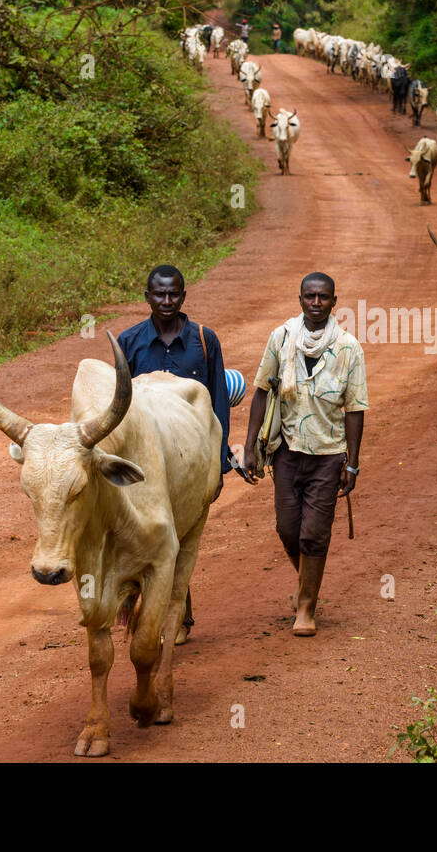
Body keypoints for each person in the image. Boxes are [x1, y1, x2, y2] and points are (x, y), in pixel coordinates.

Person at [243, 273, 367, 636]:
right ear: (300, 299)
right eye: (310, 297)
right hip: (285, 452)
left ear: (333, 301)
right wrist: (251, 445)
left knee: (314, 533)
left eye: (323, 297)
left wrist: (353, 463)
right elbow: (262, 391)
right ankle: (306, 585)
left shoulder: (348, 348)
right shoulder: (281, 338)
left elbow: (356, 409)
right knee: (288, 528)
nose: (316, 303)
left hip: (328, 454)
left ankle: (306, 608)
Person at [117, 264, 231, 645]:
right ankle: (168, 614)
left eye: (174, 294)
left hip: (190, 459)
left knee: (180, 534)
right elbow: (117, 409)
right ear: (146, 296)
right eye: (159, 294)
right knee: (152, 537)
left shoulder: (204, 340)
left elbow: (217, 404)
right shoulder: (129, 342)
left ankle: (177, 615)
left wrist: (220, 462)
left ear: (184, 296)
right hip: (145, 461)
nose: (167, 301)